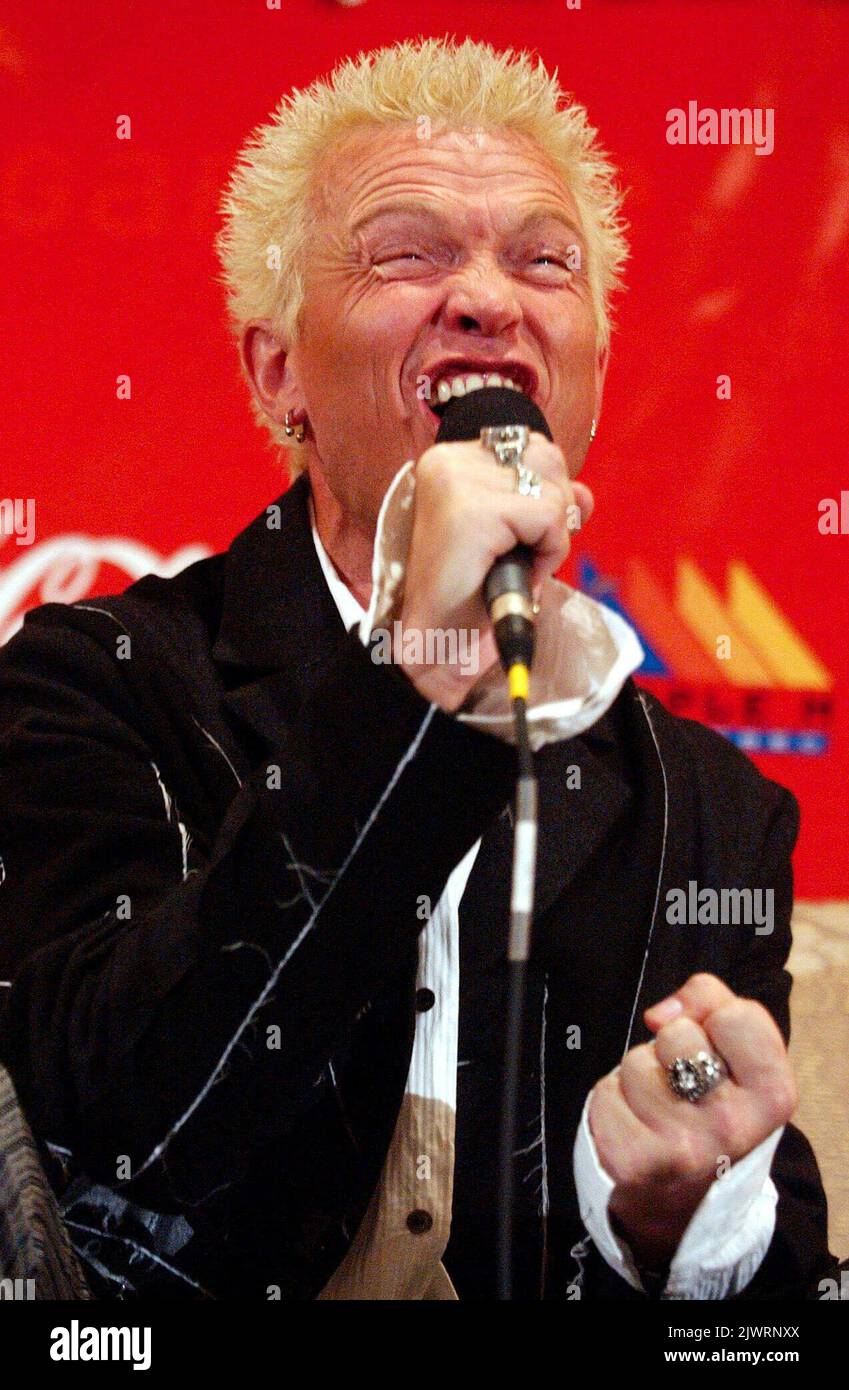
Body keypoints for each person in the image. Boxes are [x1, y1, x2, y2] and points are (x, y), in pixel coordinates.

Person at [0, 37, 836, 1300]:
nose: (491, 299)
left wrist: (679, 1225)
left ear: (595, 373)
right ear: (277, 373)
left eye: (544, 260)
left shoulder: (710, 806)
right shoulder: (90, 685)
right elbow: (116, 1139)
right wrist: (420, 674)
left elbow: (778, 1301)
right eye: (409, 252)